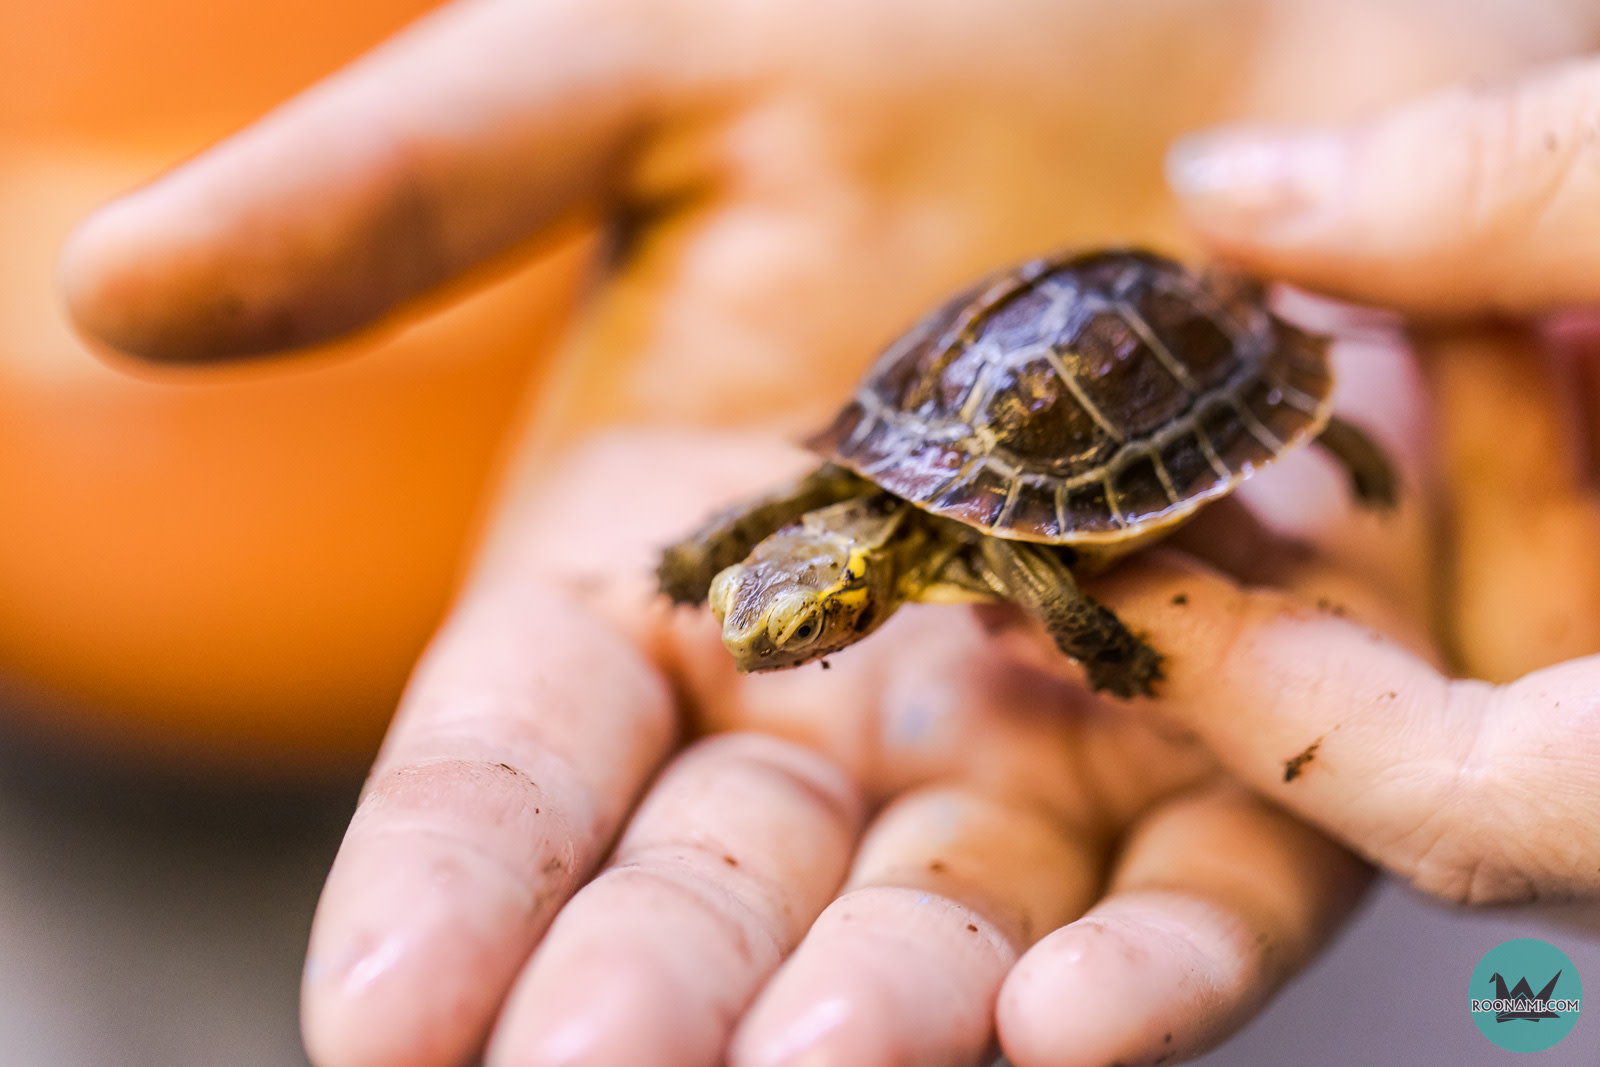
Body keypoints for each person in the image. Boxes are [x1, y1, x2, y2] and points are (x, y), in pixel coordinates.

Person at [57, 1, 1600, 1064]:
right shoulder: (847, 513)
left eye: (796, 624)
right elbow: (793, 507)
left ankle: (1337, 425)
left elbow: (1029, 568)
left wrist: (1105, 646)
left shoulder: (981, 545)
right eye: (776, 614)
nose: (784, 636)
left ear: (853, 601)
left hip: (1152, 340)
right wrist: (693, 567)